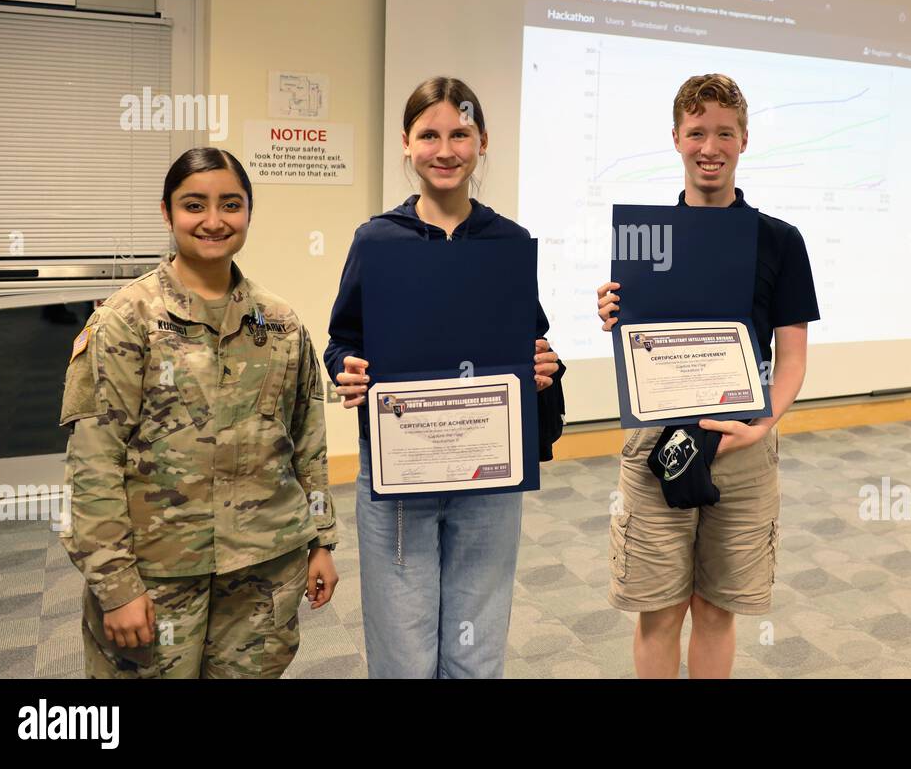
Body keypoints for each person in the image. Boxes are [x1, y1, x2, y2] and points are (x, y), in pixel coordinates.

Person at [59, 147, 339, 679]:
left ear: (249, 213)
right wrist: (116, 587)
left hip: (264, 567)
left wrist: (321, 540)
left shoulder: (279, 322)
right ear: (167, 213)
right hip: (158, 576)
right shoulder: (126, 322)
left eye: (230, 205)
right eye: (194, 205)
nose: (213, 221)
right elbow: (93, 468)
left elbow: (308, 441)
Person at [326, 76, 566, 679]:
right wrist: (345, 370)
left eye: (460, 133)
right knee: (403, 648)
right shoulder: (378, 240)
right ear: (406, 144)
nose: (445, 149)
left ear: (482, 141)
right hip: (400, 468)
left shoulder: (506, 242)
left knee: (476, 642)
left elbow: (529, 343)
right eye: (429, 134)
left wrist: (544, 367)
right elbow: (342, 341)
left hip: (487, 471)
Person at [595, 73, 819, 678]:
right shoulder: (646, 239)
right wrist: (615, 314)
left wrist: (762, 425)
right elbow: (639, 342)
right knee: (659, 611)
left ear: (744, 139)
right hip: (656, 443)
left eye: (724, 132)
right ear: (676, 138)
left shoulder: (779, 241)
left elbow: (793, 357)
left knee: (718, 609)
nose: (710, 147)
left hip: (744, 446)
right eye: (697, 132)